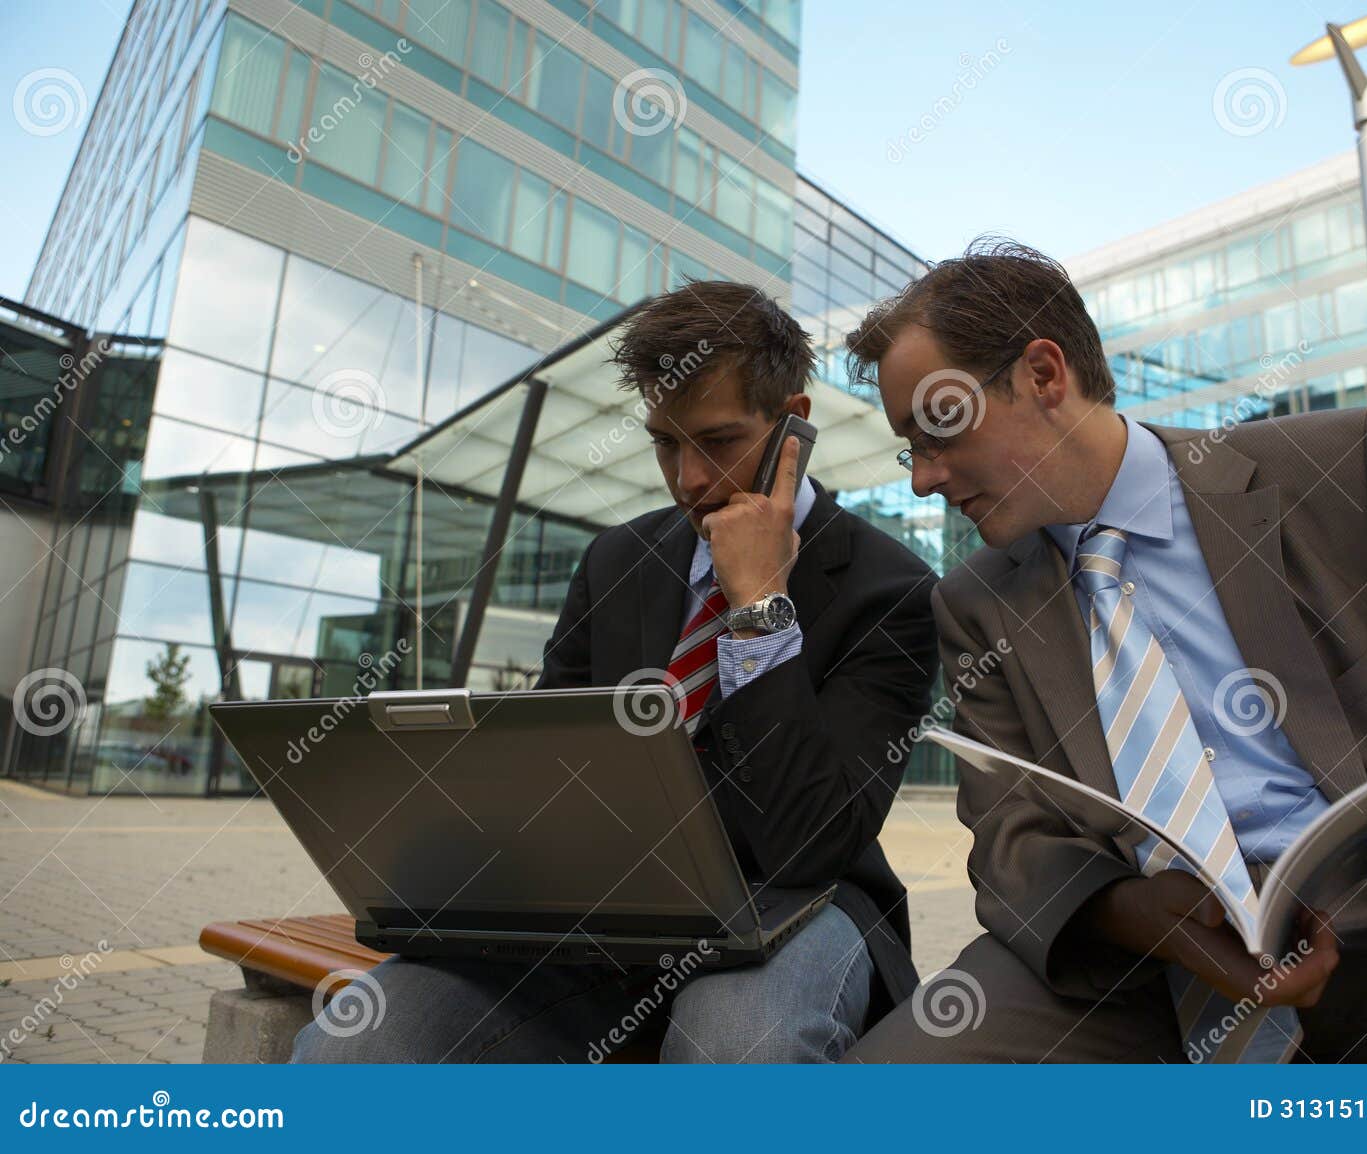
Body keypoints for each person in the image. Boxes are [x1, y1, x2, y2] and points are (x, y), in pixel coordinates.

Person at [843, 238, 1367, 1062]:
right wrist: (1141, 915)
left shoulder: (1347, 467)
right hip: (1118, 968)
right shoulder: (975, 603)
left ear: (1044, 375)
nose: (922, 477)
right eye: (907, 448)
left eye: (938, 431)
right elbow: (1011, 843)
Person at [294, 282, 937, 1063]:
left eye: (719, 440)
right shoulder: (618, 561)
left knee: (739, 1045)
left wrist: (759, 607)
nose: (690, 479)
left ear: (793, 420)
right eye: (666, 443)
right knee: (356, 1043)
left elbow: (812, 842)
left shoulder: (890, 589)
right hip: (604, 914)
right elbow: (543, 768)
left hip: (799, 905)